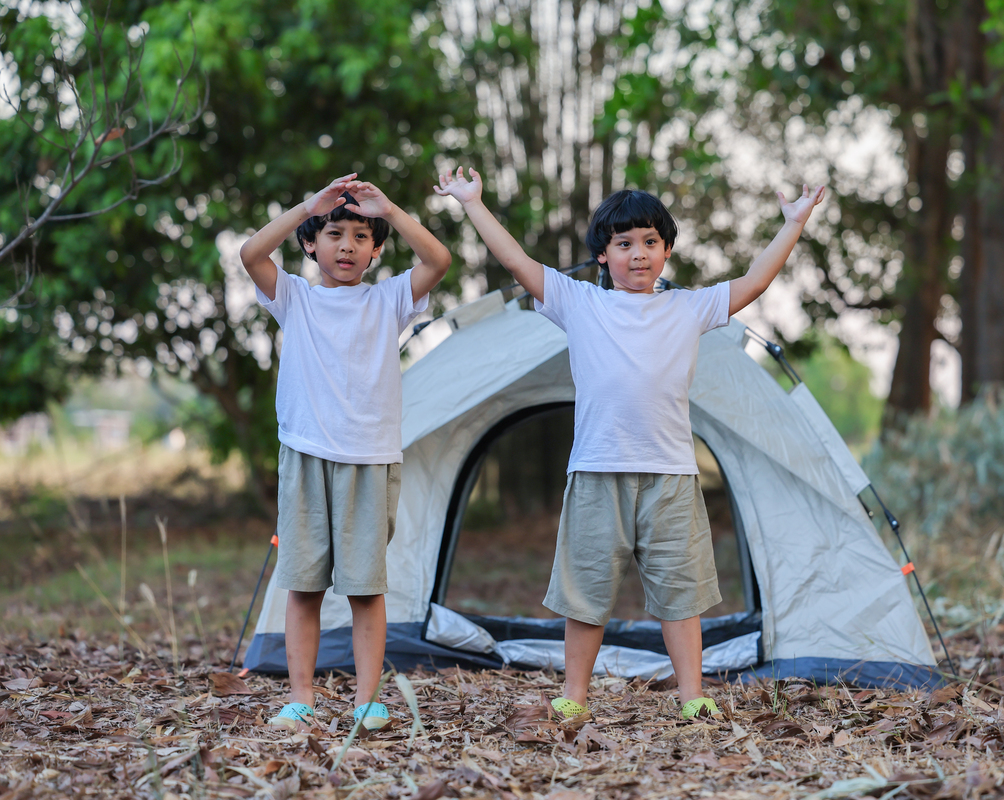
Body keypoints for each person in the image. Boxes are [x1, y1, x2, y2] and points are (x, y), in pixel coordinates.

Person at [434, 166, 824, 719]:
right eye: (624, 244)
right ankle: (574, 694)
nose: (638, 254)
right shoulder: (580, 304)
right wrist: (472, 203)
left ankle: (693, 697)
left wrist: (793, 223)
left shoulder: (687, 307)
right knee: (587, 593)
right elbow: (517, 262)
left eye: (650, 243)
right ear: (602, 255)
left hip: (671, 476)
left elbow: (754, 283)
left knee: (680, 594)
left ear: (666, 252)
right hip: (597, 471)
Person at [239, 173, 451, 730]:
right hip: (305, 457)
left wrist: (393, 211)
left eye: (362, 236)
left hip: (370, 458)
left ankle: (366, 700)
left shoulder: (389, 299)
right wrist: (306, 206)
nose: (347, 246)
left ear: (377, 250)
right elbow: (251, 252)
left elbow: (438, 259)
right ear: (311, 243)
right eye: (334, 233)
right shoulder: (295, 298)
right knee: (304, 585)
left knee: (364, 589)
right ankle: (301, 698)